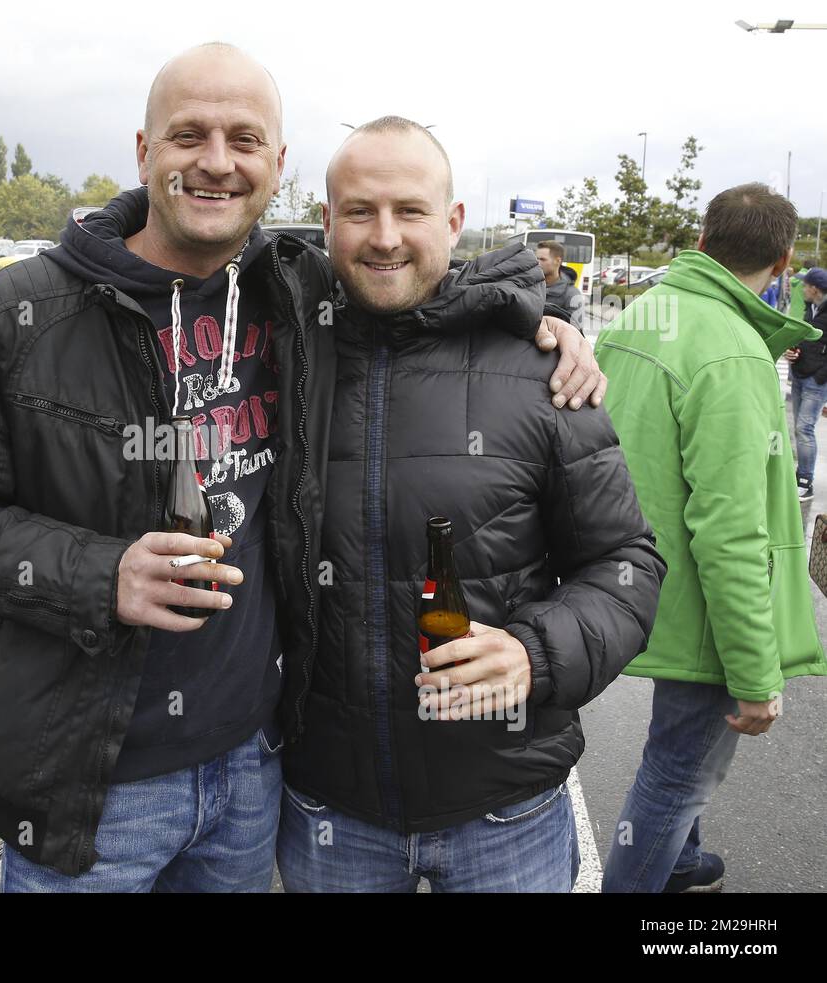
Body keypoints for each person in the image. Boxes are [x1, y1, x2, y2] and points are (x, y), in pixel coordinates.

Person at [0, 44, 602, 892]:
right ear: (145, 151)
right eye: (189, 135)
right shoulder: (9, 322)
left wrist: (540, 317)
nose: (217, 162)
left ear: (278, 166)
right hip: (92, 784)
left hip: (256, 768)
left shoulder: (293, 293)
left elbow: (418, 272)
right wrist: (99, 571)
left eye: (245, 139)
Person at [273, 117, 664, 893]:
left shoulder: (541, 370)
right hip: (329, 814)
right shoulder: (280, 357)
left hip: (507, 817)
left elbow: (626, 564)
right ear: (326, 222)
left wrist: (534, 653)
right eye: (359, 211)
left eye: (410, 210)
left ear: (453, 222)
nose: (385, 236)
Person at [595, 184, 827, 893]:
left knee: (675, 747)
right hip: (701, 603)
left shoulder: (640, 315)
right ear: (785, 259)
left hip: (632, 578)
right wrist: (757, 674)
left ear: (702, 242)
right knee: (676, 774)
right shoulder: (736, 352)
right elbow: (730, 530)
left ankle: (685, 860)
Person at [785, 267, 827, 498]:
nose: (801, 288)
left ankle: (805, 481)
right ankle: (801, 473)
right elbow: (807, 339)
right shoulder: (811, 308)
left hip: (815, 380)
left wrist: (820, 377)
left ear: (814, 288)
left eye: (804, 285)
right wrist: (795, 352)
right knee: (801, 430)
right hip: (800, 375)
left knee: (804, 428)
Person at [536, 239, 585, 331]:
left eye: (542, 259)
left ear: (558, 261)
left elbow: (576, 330)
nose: (537, 263)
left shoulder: (572, 294)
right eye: (536, 258)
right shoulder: (527, 286)